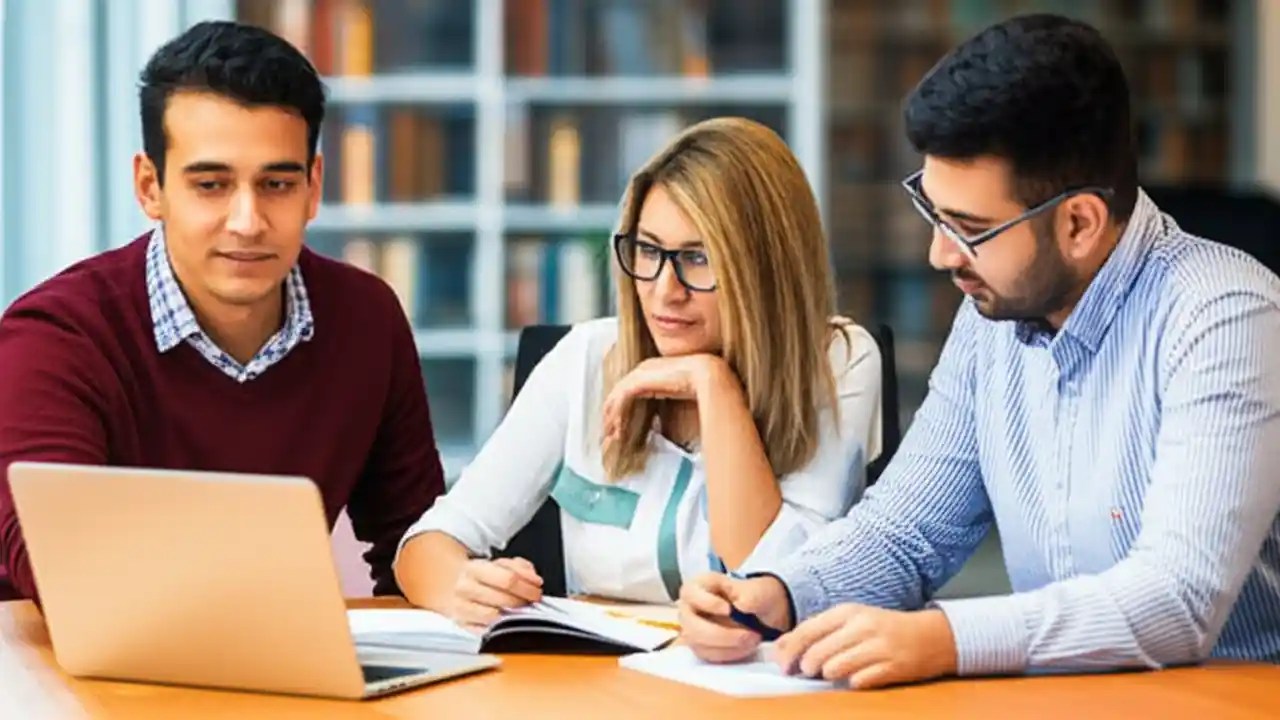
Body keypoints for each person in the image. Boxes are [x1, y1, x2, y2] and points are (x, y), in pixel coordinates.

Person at [678, 13, 1280, 689]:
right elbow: (906, 533)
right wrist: (776, 592)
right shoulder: (991, 317)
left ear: (1078, 222)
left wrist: (949, 639)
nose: (941, 254)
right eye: (934, 214)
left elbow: (1178, 599)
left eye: (969, 228)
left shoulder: (1226, 316)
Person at [0, 21, 446, 602]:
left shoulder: (367, 318)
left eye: (276, 185)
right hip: (54, 666)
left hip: (272, 662)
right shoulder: (58, 335)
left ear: (313, 187)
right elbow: (52, 555)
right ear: (149, 186)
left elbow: (413, 537)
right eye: (211, 184)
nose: (247, 221)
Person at [394, 117, 883, 630]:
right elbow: (427, 545)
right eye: (649, 251)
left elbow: (775, 582)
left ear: (763, 266)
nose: (664, 290)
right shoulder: (584, 356)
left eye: (697, 258)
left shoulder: (839, 361)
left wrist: (713, 386)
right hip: (605, 689)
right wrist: (460, 586)